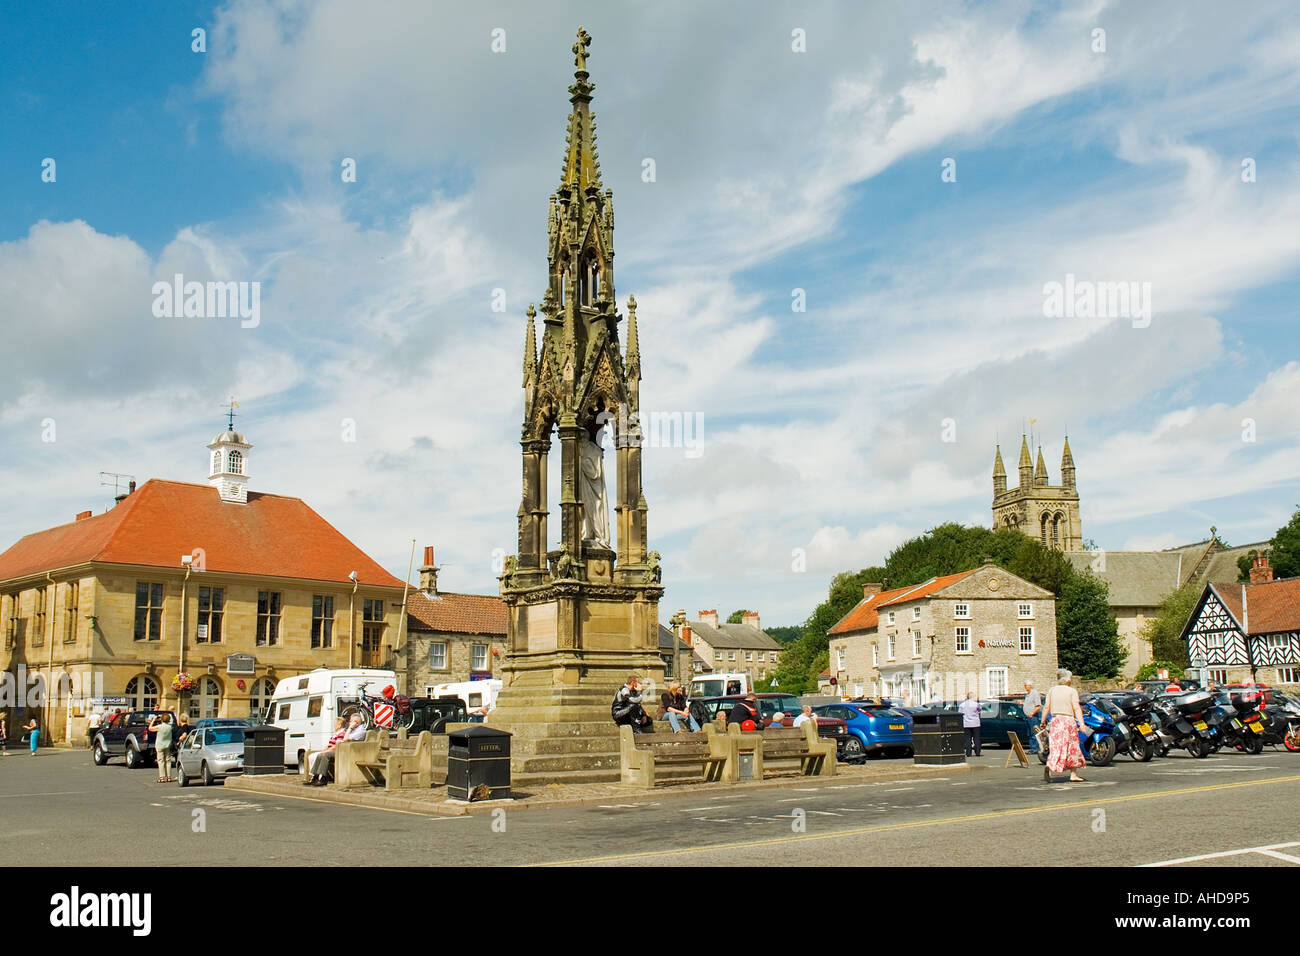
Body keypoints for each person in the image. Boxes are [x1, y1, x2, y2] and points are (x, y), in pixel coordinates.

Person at [1041, 668, 1087, 783]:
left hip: (1056, 720)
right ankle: (1073, 774)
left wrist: (1042, 721)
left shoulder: (1052, 690)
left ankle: (1050, 765)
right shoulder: (1072, 691)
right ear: (1067, 679)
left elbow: (1046, 707)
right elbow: (1076, 708)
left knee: (1056, 745)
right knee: (1072, 747)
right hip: (1068, 721)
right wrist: (1081, 724)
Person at [306, 718, 347, 786]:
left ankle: (323, 778)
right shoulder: (335, 734)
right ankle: (315, 776)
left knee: (324, 755)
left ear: (339, 725)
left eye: (335, 724)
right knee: (319, 755)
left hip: (337, 752)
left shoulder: (342, 733)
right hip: (331, 750)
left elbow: (336, 746)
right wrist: (323, 750)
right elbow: (329, 744)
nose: (334, 726)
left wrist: (326, 751)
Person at [149, 713, 173, 782]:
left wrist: (153, 720)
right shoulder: (170, 727)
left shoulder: (159, 727)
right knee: (168, 761)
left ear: (162, 719)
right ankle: (169, 777)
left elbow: (150, 728)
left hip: (159, 745)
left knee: (161, 761)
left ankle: (161, 777)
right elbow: (170, 722)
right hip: (167, 745)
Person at [958, 692, 981, 757]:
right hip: (975, 723)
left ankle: (968, 752)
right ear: (972, 697)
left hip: (966, 723)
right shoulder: (976, 704)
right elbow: (979, 710)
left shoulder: (962, 705)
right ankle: (977, 752)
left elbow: (960, 713)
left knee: (968, 739)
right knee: (976, 738)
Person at [1022, 680, 1042, 753]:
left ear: (1030, 686)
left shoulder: (1035, 693)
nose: (1024, 687)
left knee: (1034, 732)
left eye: (1025, 685)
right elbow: (1029, 704)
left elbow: (1038, 706)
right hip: (1027, 716)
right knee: (1030, 733)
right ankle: (1032, 748)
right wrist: (1023, 703)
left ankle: (1035, 748)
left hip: (1033, 717)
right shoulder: (1028, 694)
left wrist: (1032, 713)